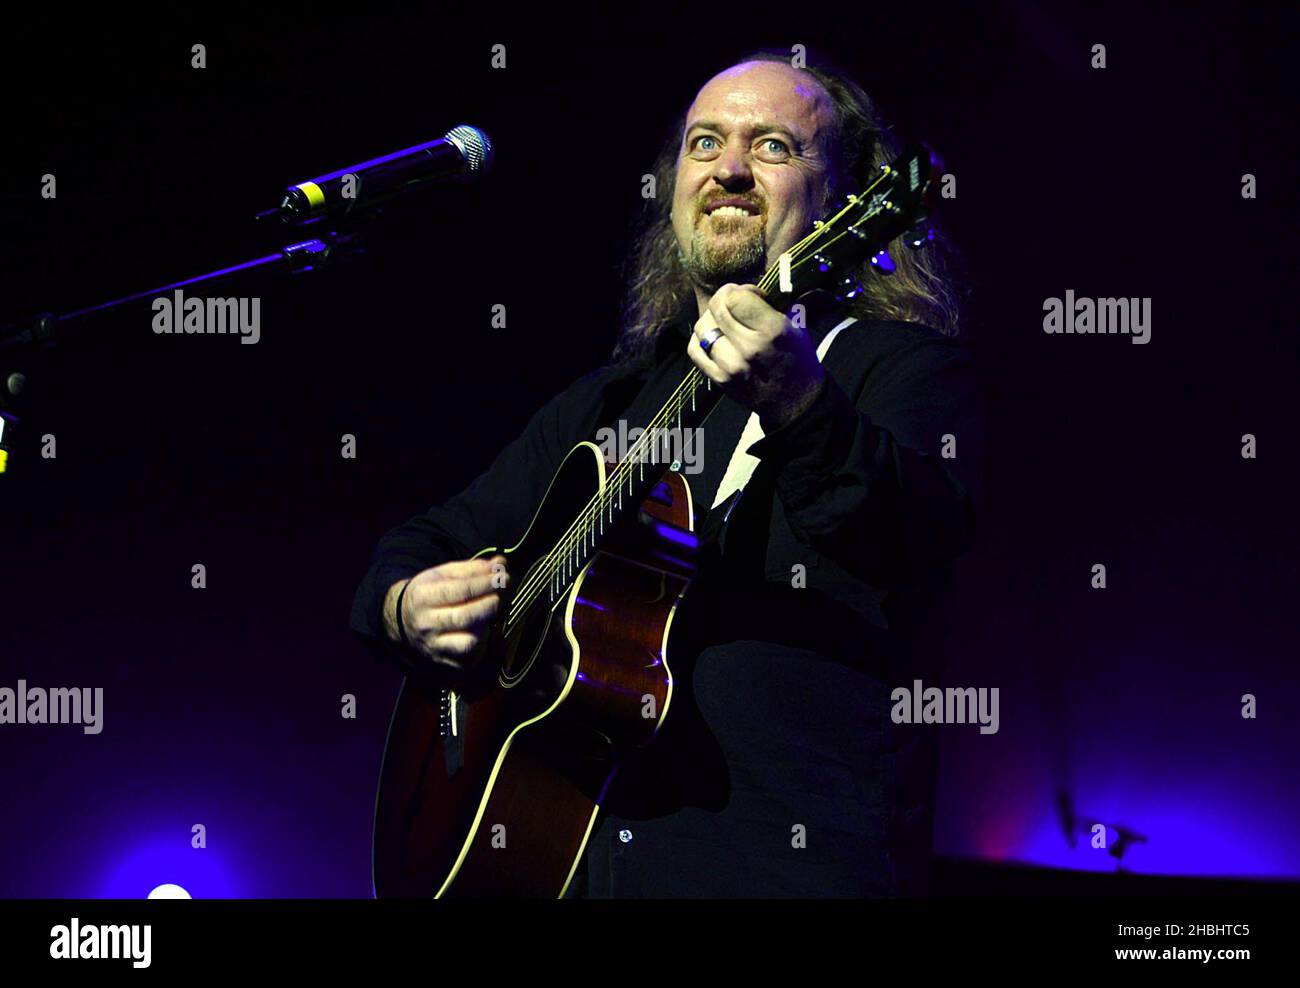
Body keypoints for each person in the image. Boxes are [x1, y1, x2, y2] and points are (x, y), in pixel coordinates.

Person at [351, 51, 983, 897]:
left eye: (772, 147)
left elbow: (916, 534)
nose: (727, 168)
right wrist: (406, 605)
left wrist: (801, 405)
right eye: (704, 143)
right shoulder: (608, 400)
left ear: (843, 194)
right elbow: (418, 544)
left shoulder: (895, 370)